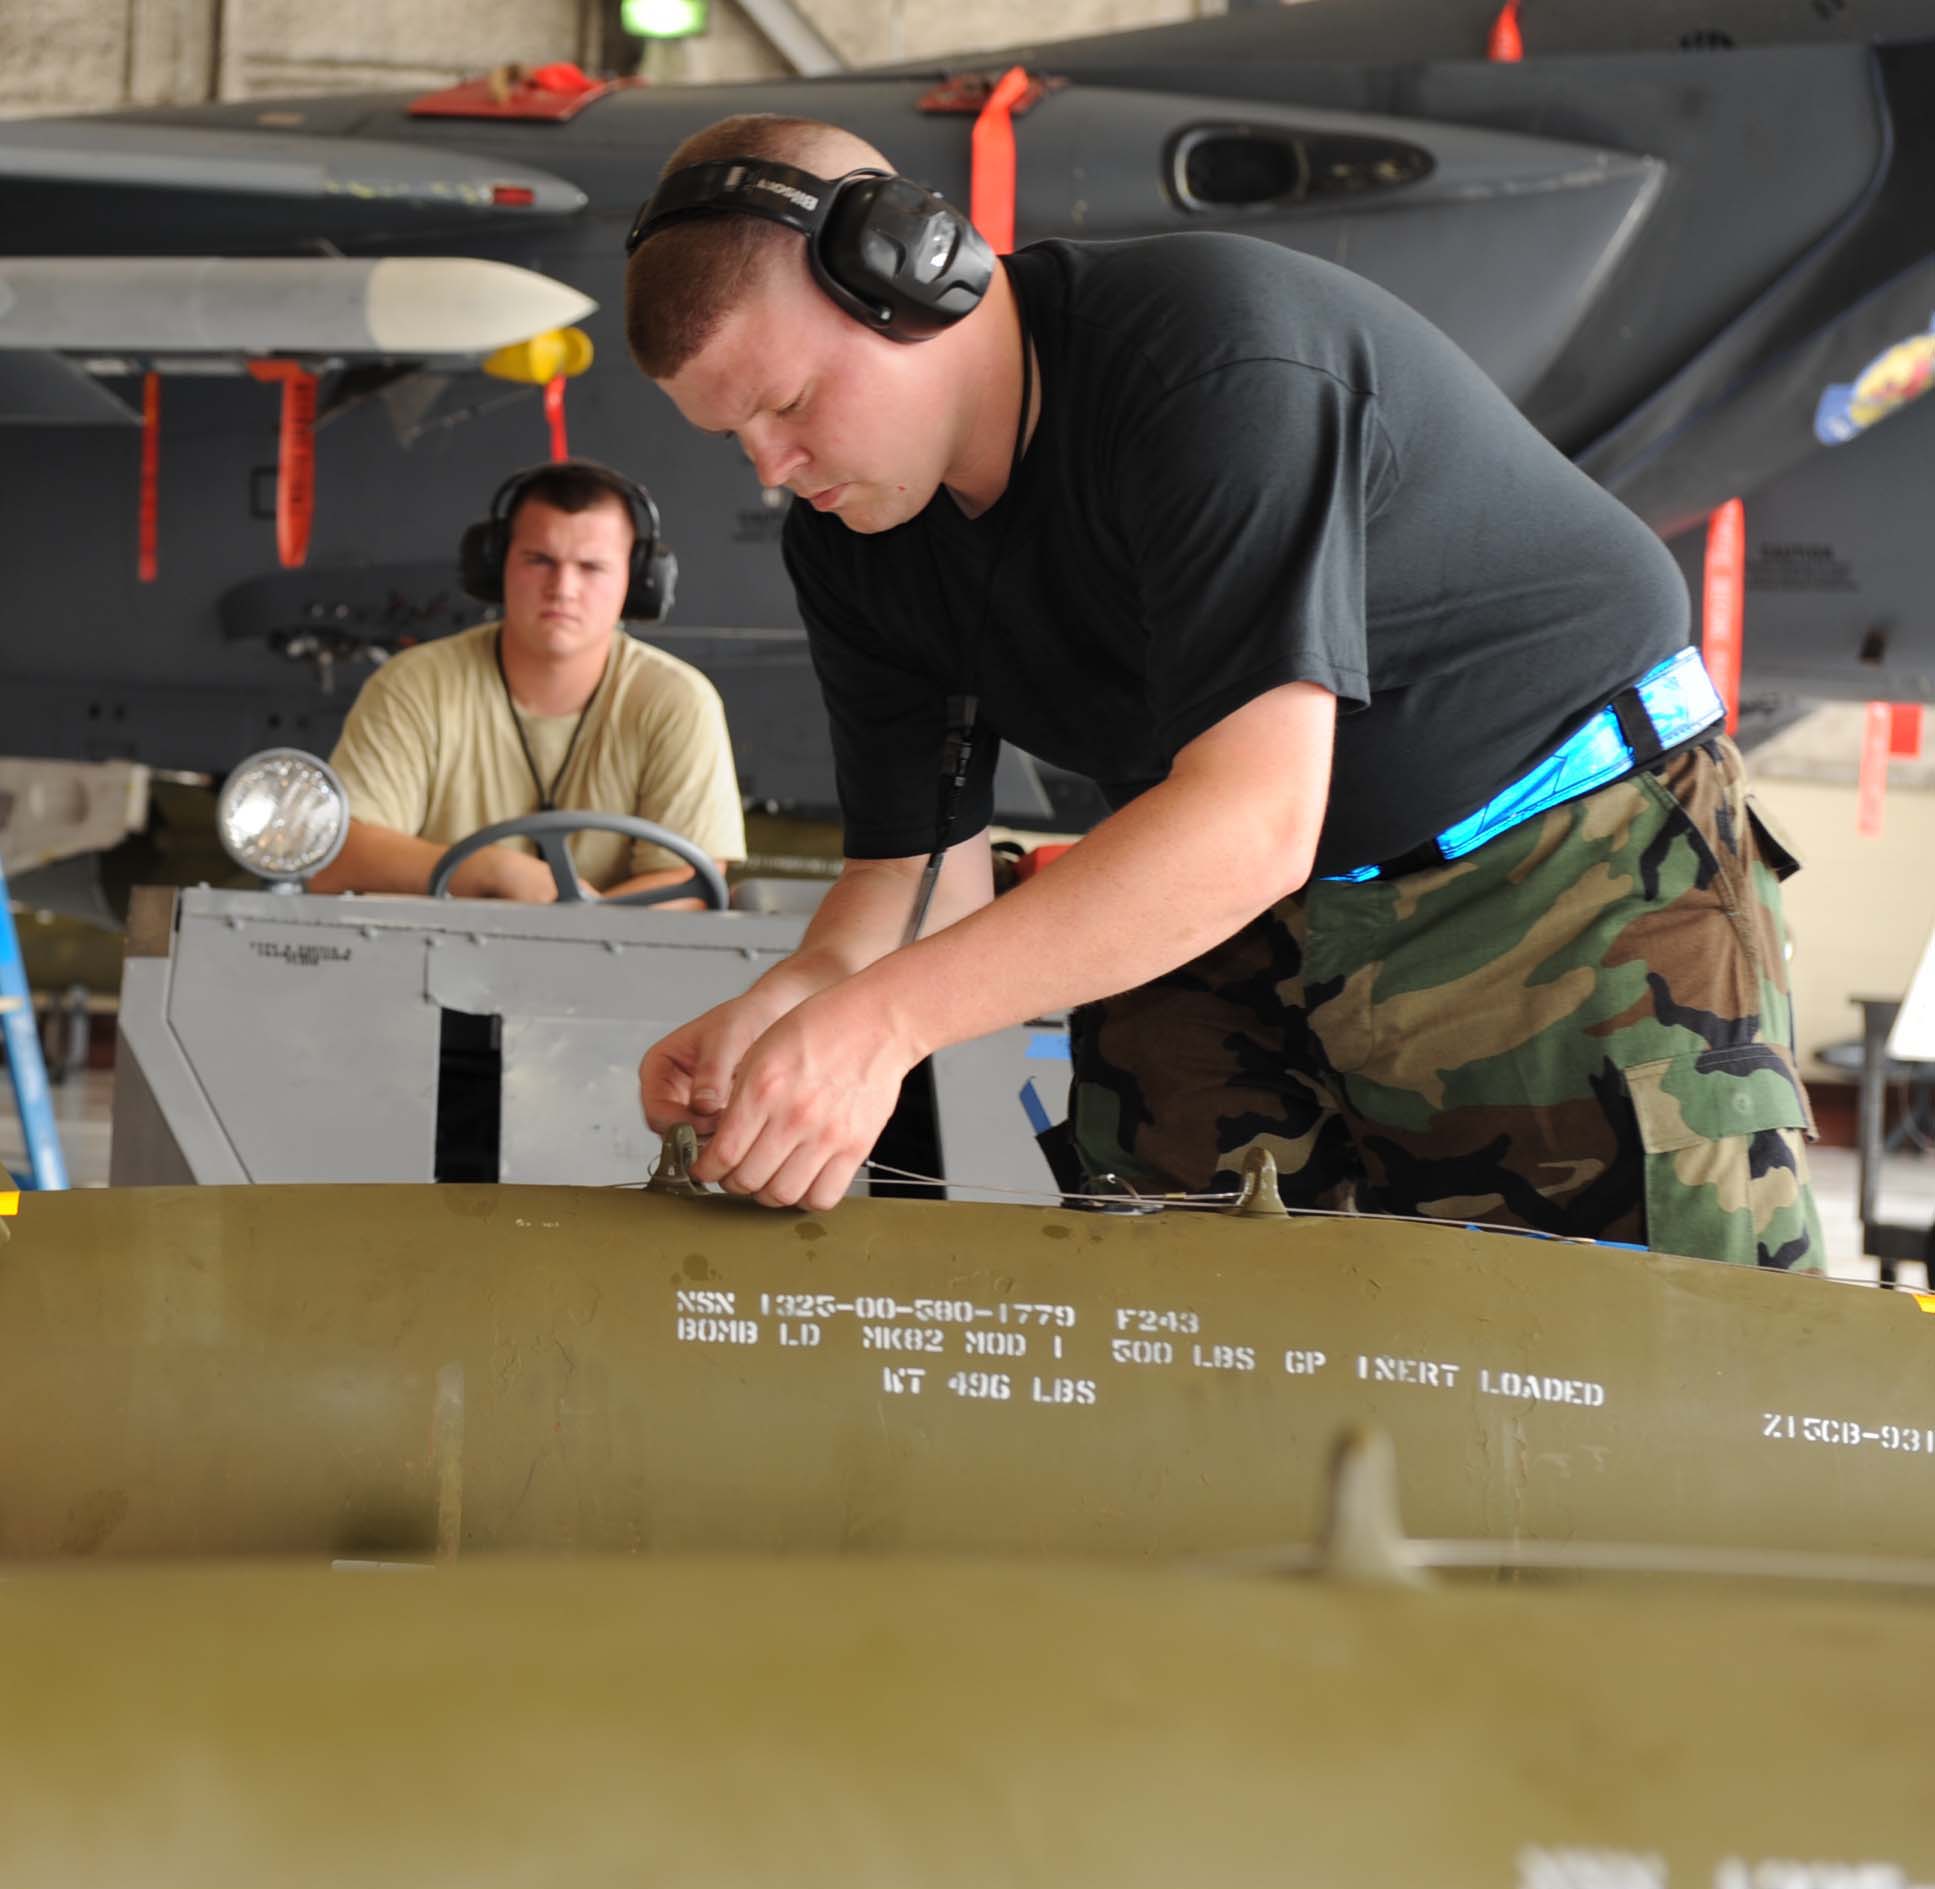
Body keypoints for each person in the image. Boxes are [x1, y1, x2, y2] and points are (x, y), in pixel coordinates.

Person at [619, 113, 1823, 1272]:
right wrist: (798, 1007)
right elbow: (914, 872)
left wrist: (883, 1027)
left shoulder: (1210, 361)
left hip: (1561, 870)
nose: (775, 469)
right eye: (736, 437)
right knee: (1196, 1359)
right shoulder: (859, 536)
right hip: (1223, 902)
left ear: (918, 277)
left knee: (1648, 1370)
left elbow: (1254, 820)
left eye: (785, 405)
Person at [309, 459, 744, 903]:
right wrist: (491, 873)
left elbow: (687, 888)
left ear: (638, 583)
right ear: (497, 566)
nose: (563, 588)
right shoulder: (414, 686)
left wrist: (572, 937)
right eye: (539, 560)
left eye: (592, 567)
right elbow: (335, 856)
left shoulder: (678, 702)